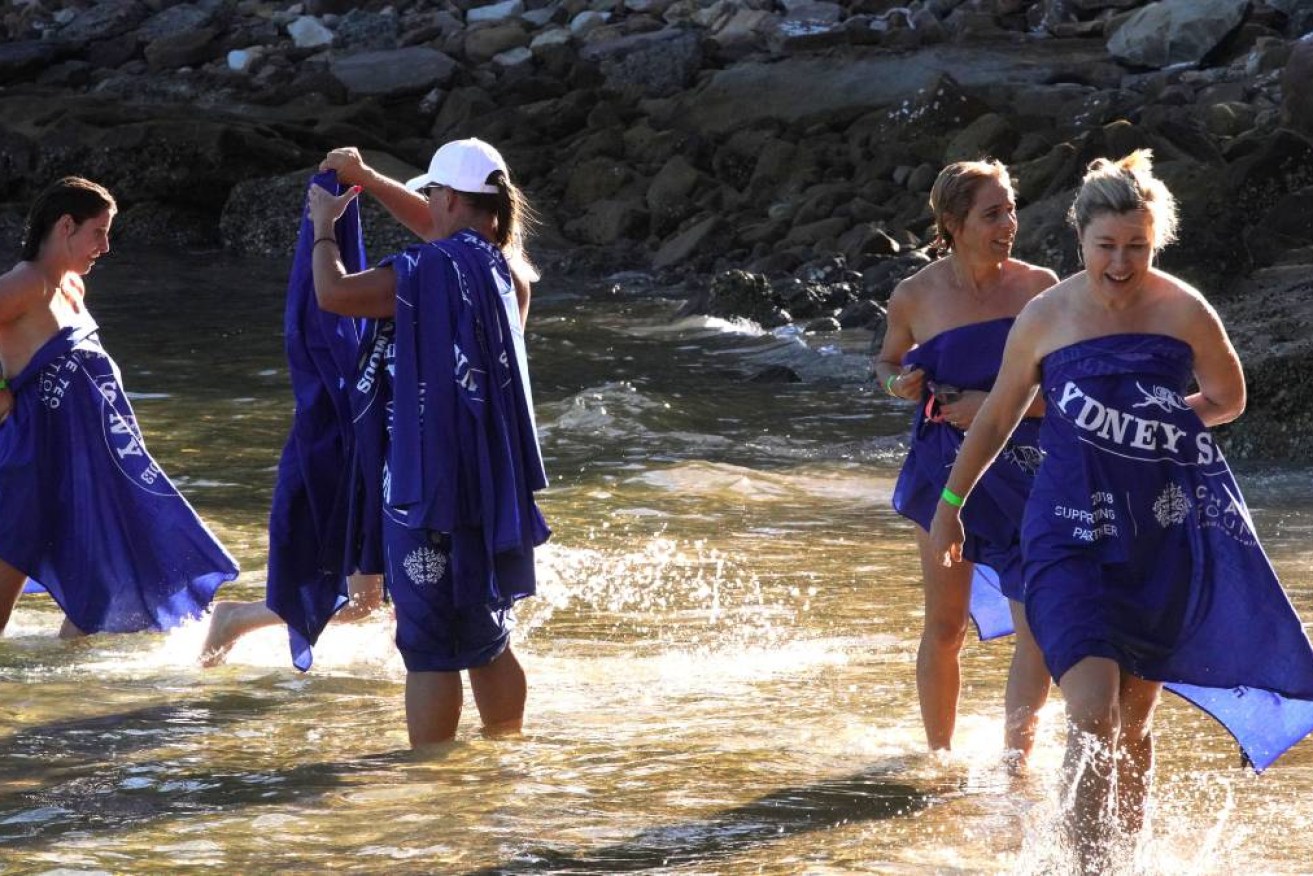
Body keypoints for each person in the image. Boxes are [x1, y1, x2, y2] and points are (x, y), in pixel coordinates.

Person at [929, 151, 1313, 870]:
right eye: (1105, 246)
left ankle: (1120, 861)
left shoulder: (1181, 309)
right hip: (1064, 536)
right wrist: (952, 503)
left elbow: (1227, 400)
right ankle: (1084, 865)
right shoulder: (1045, 316)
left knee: (1131, 727)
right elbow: (995, 420)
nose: (1118, 262)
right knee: (1090, 711)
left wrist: (1157, 423)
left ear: (1153, 241)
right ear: (1079, 238)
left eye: (1135, 247)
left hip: (1158, 539)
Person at [307, 138, 550, 747]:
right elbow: (445, 236)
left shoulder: (423, 274)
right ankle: (506, 756)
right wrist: (368, 178)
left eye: (432, 196)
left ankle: (433, 783)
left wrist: (322, 231)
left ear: (444, 197)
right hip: (492, 485)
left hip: (426, 484)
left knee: (430, 649)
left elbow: (333, 294)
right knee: (489, 638)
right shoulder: (508, 274)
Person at [872, 159, 1057, 762]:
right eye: (992, 213)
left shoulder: (1039, 289)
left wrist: (992, 405)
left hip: (1029, 469)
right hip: (944, 471)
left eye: (1010, 209)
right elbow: (887, 363)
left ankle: (1016, 767)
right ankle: (940, 761)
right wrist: (897, 384)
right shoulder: (914, 295)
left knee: (1036, 628)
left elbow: (1065, 391)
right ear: (952, 223)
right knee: (945, 627)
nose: (1009, 223)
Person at [0, 176, 238, 636]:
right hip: (30, 463)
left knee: (100, 596)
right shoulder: (25, 284)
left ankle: (61, 696)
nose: (105, 247)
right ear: (66, 225)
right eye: (99, 231)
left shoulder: (71, 287)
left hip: (84, 467)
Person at [201, 171, 386, 669]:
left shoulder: (424, 279)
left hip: (380, 449)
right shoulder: (399, 284)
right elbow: (327, 301)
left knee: (374, 601)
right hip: (361, 449)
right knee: (370, 599)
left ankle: (238, 619)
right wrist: (327, 224)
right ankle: (236, 618)